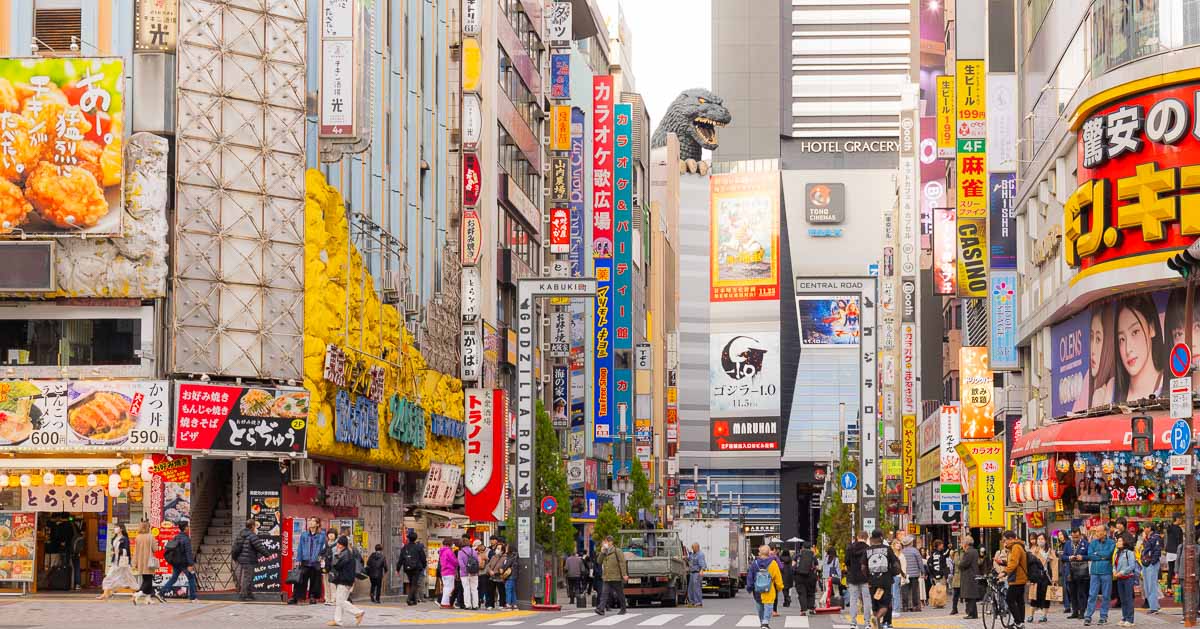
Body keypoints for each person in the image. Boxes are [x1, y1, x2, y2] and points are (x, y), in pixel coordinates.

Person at [1114, 295, 1168, 403]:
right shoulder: (1111, 393)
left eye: (1135, 332)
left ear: (1151, 328)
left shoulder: (1168, 383)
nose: (1127, 349)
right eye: (1122, 339)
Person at [866, 530, 901, 629]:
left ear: (872, 538)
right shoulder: (887, 549)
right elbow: (895, 563)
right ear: (881, 537)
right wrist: (895, 572)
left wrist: (867, 579)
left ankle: (877, 621)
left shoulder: (867, 550)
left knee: (875, 603)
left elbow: (863, 567)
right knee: (886, 604)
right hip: (885, 581)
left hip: (872, 581)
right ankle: (878, 619)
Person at [328, 536, 365, 627]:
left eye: (338, 544)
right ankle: (338, 620)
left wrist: (336, 555)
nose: (337, 545)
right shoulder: (348, 553)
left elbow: (336, 565)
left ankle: (358, 612)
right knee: (340, 601)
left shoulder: (344, 554)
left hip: (344, 580)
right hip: (348, 580)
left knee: (340, 601)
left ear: (342, 545)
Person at [156, 521, 197, 602]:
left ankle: (161, 593)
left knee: (174, 578)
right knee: (191, 578)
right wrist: (191, 564)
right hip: (184, 563)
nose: (188, 528)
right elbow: (188, 552)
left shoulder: (176, 537)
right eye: (187, 526)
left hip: (176, 562)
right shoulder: (186, 539)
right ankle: (193, 598)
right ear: (185, 528)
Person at [747, 544, 785, 629]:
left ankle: (762, 622)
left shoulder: (754, 563)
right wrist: (779, 587)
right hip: (769, 589)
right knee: (768, 605)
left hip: (757, 590)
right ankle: (765, 622)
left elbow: (750, 576)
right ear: (769, 553)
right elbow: (778, 577)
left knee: (759, 606)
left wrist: (749, 587)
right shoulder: (773, 563)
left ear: (760, 553)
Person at [1084, 525, 1115, 626]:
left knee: (1106, 595)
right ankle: (1088, 616)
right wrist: (1101, 556)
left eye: (1098, 531)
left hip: (1106, 572)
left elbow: (1109, 554)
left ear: (1105, 532)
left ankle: (1103, 616)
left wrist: (1097, 554)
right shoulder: (1092, 543)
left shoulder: (1111, 542)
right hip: (1094, 572)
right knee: (1092, 594)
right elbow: (1090, 555)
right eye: (1096, 531)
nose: (1096, 533)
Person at [97, 523, 138, 600]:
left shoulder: (124, 539)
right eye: (115, 527)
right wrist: (114, 551)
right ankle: (105, 593)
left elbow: (126, 550)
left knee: (129, 578)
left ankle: (135, 594)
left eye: (116, 527)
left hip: (122, 562)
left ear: (121, 529)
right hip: (115, 562)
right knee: (109, 576)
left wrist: (117, 551)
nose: (115, 529)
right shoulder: (114, 538)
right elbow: (113, 548)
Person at [232, 518, 269, 601]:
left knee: (249, 577)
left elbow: (235, 547)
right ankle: (243, 595)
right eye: (254, 526)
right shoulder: (252, 535)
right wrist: (267, 555)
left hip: (242, 559)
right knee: (248, 577)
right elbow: (259, 547)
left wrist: (235, 558)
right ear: (252, 526)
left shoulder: (241, 534)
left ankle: (249, 594)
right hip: (249, 559)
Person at [291, 517, 326, 605]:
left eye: (313, 521)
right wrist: (298, 559)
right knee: (301, 580)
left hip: (316, 562)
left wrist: (321, 558)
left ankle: (312, 597)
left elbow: (323, 548)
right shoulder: (304, 535)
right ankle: (297, 597)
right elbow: (300, 547)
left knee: (315, 581)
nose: (310, 522)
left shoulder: (322, 535)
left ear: (317, 524)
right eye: (310, 521)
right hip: (305, 560)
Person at [1001, 530, 1028, 629]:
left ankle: (1018, 621)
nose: (1005, 542)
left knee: (1010, 599)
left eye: (1005, 540)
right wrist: (1003, 563)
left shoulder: (1016, 547)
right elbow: (1013, 562)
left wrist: (1004, 572)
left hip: (1017, 578)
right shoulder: (1016, 547)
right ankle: (1020, 622)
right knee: (1019, 600)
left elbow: (1014, 563)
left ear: (1011, 539)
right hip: (1020, 577)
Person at [845, 531, 873, 629]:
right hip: (865, 577)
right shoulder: (868, 548)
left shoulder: (850, 547)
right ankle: (867, 623)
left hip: (853, 577)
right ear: (867, 537)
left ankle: (853, 622)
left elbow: (846, 561)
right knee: (866, 600)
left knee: (853, 599)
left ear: (857, 537)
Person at [595, 535, 628, 616]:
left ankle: (623, 608)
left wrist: (624, 574)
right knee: (604, 593)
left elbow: (622, 563)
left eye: (606, 542)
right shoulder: (604, 551)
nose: (604, 543)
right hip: (607, 576)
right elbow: (599, 562)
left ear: (611, 542)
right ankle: (601, 609)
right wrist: (602, 552)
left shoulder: (617, 551)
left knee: (620, 593)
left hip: (616, 576)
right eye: (604, 542)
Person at [1065, 528, 1091, 618]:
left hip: (1082, 571)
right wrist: (1069, 557)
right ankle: (1075, 611)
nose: (1075, 539)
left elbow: (1090, 556)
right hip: (1071, 571)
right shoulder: (1068, 544)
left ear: (1080, 535)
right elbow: (1063, 557)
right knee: (1072, 592)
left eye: (1076, 537)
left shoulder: (1086, 544)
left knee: (1081, 592)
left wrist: (1083, 557)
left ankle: (1082, 612)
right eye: (1073, 537)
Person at [1027, 533, 1052, 623]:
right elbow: (1029, 566)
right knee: (1034, 596)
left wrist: (1055, 579)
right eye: (1039, 539)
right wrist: (1030, 578)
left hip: (1047, 576)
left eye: (1042, 539)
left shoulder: (1050, 551)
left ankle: (1044, 615)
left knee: (1046, 596)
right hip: (1036, 576)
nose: (1040, 541)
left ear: (1045, 540)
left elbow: (1055, 564)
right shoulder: (1033, 551)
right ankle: (1030, 615)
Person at [397, 530, 426, 606]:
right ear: (415, 538)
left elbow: (401, 558)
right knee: (414, 584)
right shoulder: (418, 547)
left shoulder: (405, 548)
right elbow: (423, 558)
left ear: (408, 538)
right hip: (416, 568)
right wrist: (424, 566)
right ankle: (409, 598)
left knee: (411, 583)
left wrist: (398, 568)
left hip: (407, 568)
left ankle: (414, 600)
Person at [1114, 535, 1137, 627]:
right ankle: (1124, 617)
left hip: (1128, 578)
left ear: (1125, 542)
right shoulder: (1117, 553)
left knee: (1128, 599)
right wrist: (1114, 571)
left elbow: (1132, 566)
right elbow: (1114, 565)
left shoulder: (1129, 553)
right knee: (1122, 599)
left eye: (1120, 541)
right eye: (1118, 541)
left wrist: (1122, 572)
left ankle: (1130, 619)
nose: (1118, 543)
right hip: (1119, 578)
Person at [132, 521, 158, 605]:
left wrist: (134, 562)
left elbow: (135, 551)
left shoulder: (138, 537)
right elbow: (155, 549)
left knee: (146, 579)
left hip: (140, 561)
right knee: (148, 580)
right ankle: (138, 594)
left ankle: (148, 598)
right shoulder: (151, 537)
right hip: (149, 562)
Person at [958, 535, 982, 620]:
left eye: (963, 542)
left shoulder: (968, 552)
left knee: (969, 595)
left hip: (969, 576)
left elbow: (963, 564)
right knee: (971, 595)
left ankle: (971, 613)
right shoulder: (975, 551)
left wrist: (959, 564)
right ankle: (973, 613)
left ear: (966, 544)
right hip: (973, 574)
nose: (962, 544)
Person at [1141, 522, 1163, 614]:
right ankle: (1154, 605)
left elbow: (1157, 551)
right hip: (1146, 563)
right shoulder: (1147, 538)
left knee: (1151, 585)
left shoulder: (1156, 537)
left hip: (1151, 564)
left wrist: (1152, 562)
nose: (1144, 530)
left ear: (1149, 528)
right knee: (1147, 585)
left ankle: (1154, 607)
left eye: (1145, 528)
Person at [457, 539, 481, 610]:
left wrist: (466, 571)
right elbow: (477, 561)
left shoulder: (460, 552)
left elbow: (461, 564)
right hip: (474, 573)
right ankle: (475, 605)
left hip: (464, 574)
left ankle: (467, 605)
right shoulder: (473, 551)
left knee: (466, 589)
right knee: (474, 589)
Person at [900, 536, 922, 612]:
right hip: (914, 574)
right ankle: (915, 606)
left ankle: (905, 606)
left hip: (904, 575)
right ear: (910, 543)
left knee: (905, 591)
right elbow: (920, 562)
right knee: (915, 591)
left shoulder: (901, 551)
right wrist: (923, 571)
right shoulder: (915, 551)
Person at [437, 539, 458, 609]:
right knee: (449, 588)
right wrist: (457, 563)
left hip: (443, 572)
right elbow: (454, 561)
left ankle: (444, 603)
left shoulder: (441, 551)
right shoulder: (449, 551)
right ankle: (444, 603)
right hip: (450, 571)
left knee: (446, 587)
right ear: (450, 544)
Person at [1166, 515, 1183, 594]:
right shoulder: (1178, 529)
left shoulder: (1170, 527)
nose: (1181, 520)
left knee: (1170, 570)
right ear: (1177, 519)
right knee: (1178, 570)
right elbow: (1180, 541)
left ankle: (1169, 588)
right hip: (1177, 551)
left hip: (1170, 552)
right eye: (1181, 518)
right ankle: (1178, 589)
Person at [322, 530, 339, 605]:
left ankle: (334, 599)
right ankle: (327, 599)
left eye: (333, 534)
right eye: (329, 534)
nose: (331, 535)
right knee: (326, 583)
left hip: (333, 566)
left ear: (335, 535)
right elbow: (322, 552)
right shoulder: (325, 544)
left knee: (332, 583)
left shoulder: (338, 544)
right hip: (326, 566)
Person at [688, 542, 707, 607]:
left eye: (693, 548)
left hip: (697, 573)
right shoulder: (693, 554)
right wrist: (684, 557)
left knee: (696, 588)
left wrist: (701, 571)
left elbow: (703, 564)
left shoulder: (700, 554)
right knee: (690, 588)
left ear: (697, 547)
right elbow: (689, 559)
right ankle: (692, 602)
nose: (692, 549)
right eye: (692, 548)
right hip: (692, 573)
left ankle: (698, 602)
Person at [501, 543, 518, 610]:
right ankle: (514, 605)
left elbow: (506, 565)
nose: (505, 548)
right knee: (513, 590)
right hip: (514, 575)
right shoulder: (515, 556)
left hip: (509, 575)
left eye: (507, 547)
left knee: (508, 590)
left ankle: (508, 604)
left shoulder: (510, 556)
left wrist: (502, 568)